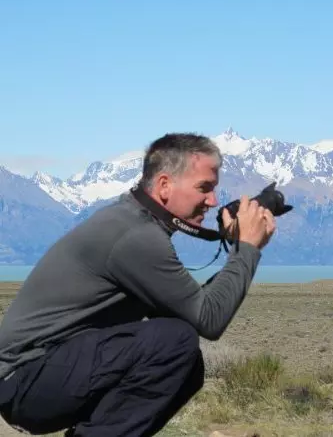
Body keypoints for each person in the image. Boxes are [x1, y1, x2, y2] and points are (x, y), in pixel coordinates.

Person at [0, 133, 276, 436]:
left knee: (186, 364)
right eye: (204, 188)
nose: (212, 201)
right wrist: (248, 249)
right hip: (23, 380)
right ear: (164, 186)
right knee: (176, 342)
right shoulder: (136, 236)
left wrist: (239, 250)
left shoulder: (134, 221)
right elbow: (210, 320)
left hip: (37, 378)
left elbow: (196, 311)